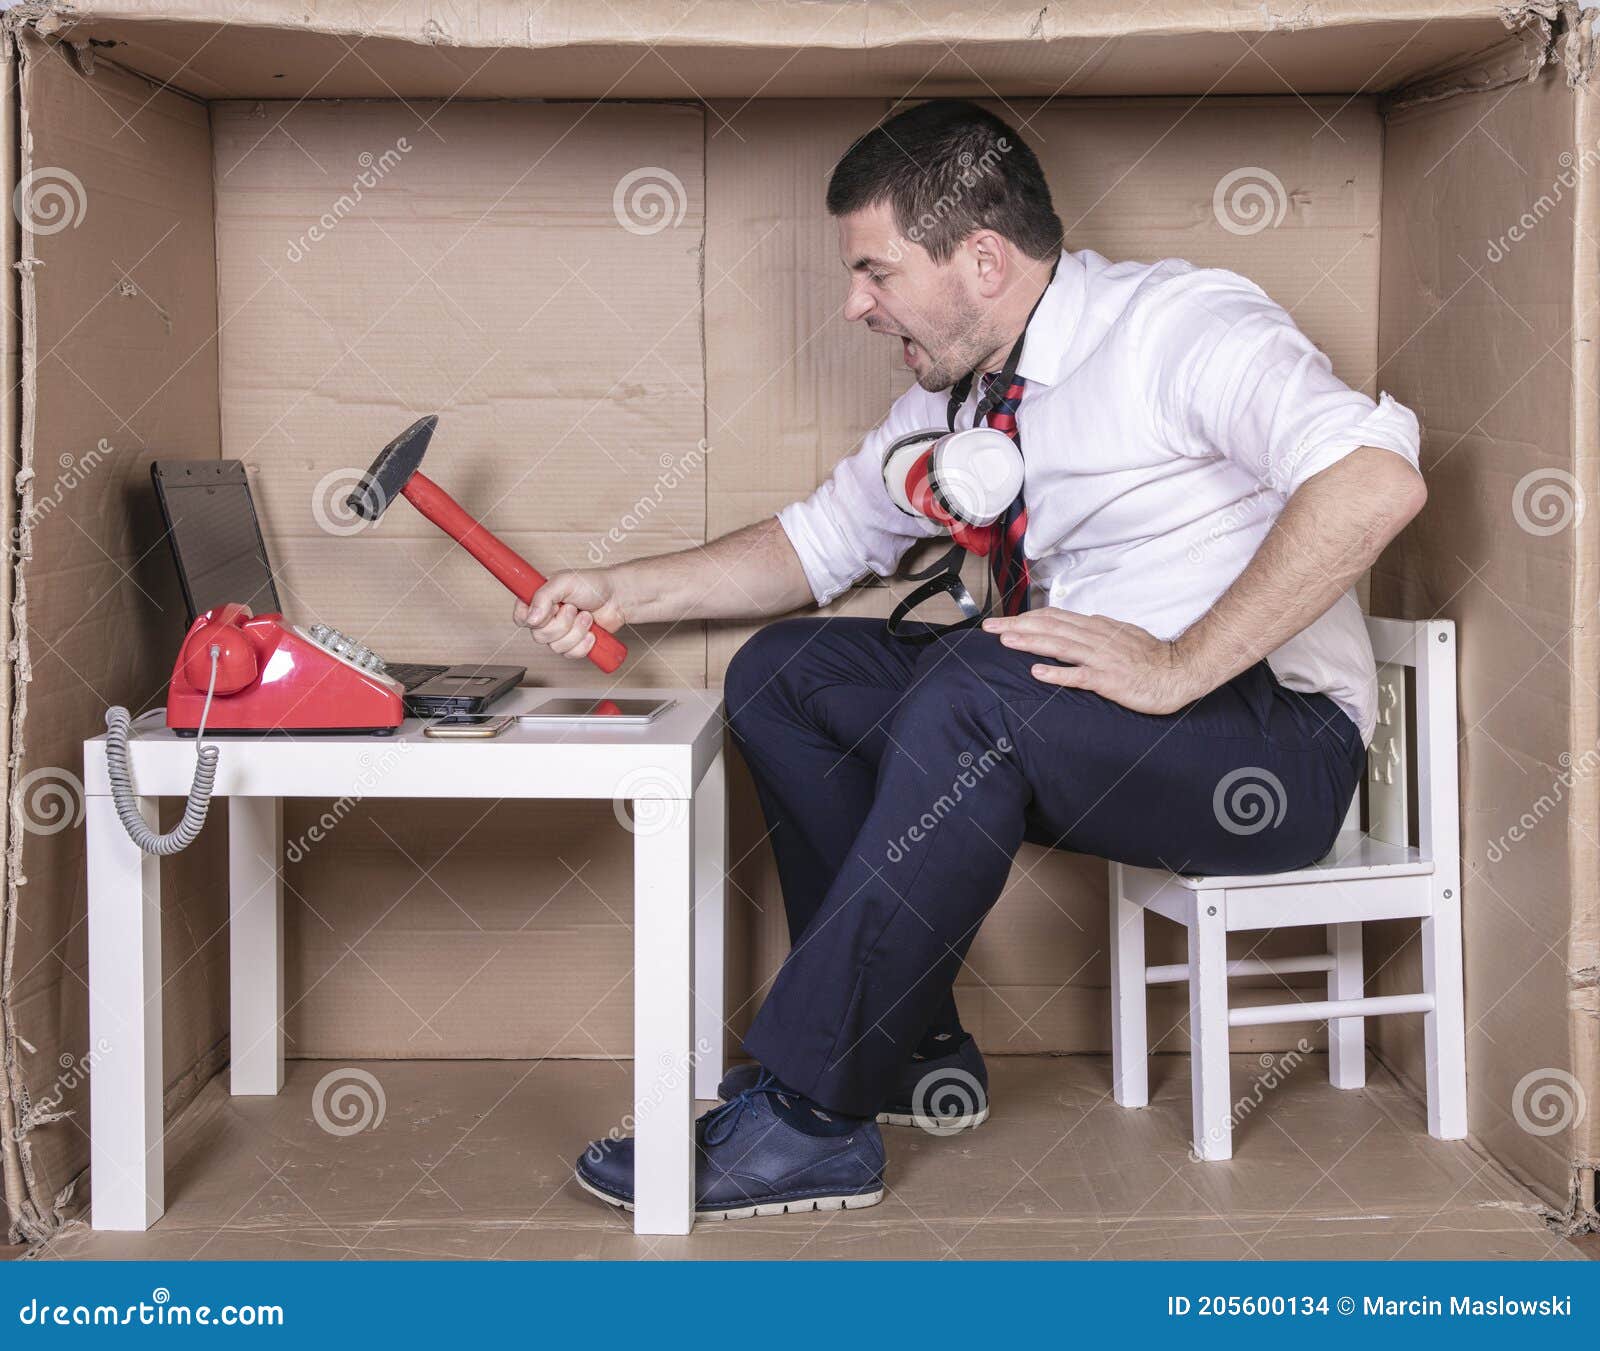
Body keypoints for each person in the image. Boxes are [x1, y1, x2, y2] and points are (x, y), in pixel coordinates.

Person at [520, 99, 1427, 1221]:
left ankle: (811, 1119)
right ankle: (904, 1048)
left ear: (983, 260)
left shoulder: (1178, 326)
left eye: (875, 271)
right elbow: (815, 543)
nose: (855, 304)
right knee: (788, 676)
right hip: (1089, 715)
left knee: (976, 689)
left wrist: (1181, 662)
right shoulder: (955, 403)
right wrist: (623, 589)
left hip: (1270, 748)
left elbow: (1375, 482)